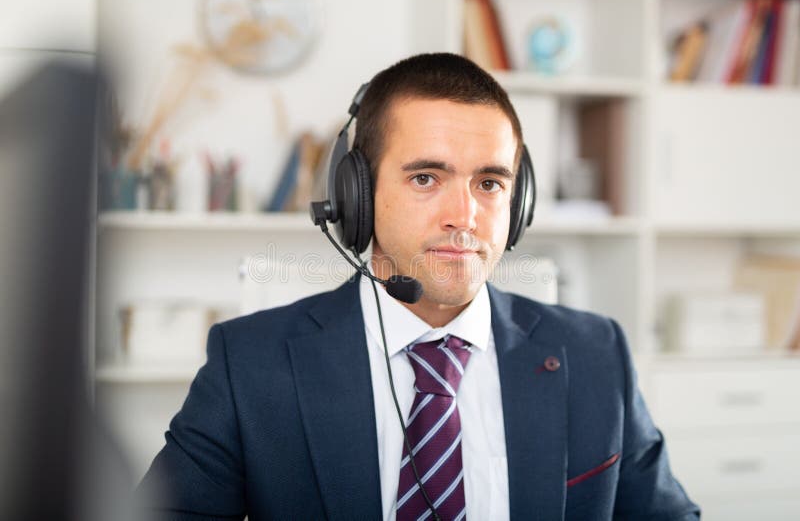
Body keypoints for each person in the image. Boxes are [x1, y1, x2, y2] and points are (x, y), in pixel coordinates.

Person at [137, 53, 699, 520]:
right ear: (355, 197)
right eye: (426, 178)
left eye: (489, 182)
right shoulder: (248, 364)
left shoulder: (598, 356)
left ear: (519, 202)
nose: (465, 215)